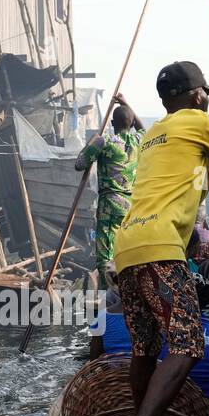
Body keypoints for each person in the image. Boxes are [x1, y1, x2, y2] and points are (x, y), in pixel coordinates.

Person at [113, 61, 209, 416]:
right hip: (159, 246)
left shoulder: (154, 133)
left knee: (146, 348)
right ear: (199, 95)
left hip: (127, 247)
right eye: (206, 95)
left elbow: (198, 169)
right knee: (187, 344)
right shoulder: (199, 122)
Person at [88, 287, 209, 409]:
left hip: (118, 391)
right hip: (184, 401)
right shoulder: (167, 323)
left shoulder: (103, 317)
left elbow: (94, 363)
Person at [76, 94, 144, 287]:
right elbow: (141, 128)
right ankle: (127, 291)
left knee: (105, 253)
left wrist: (92, 142)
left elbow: (80, 164)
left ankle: (107, 295)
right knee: (126, 250)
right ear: (130, 125)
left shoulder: (105, 142)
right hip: (131, 205)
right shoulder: (138, 140)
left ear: (112, 123)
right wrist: (126, 103)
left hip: (110, 204)